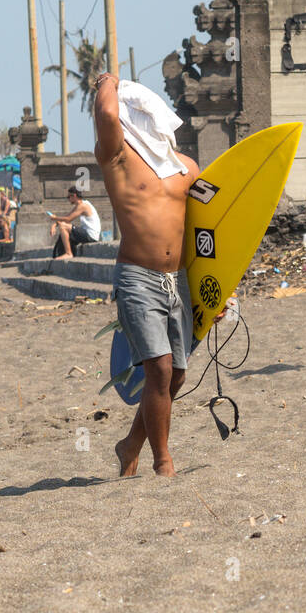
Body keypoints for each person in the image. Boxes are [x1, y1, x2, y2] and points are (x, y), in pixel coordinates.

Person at [93, 71, 224, 479]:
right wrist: (106, 82)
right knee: (160, 370)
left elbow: (207, 232)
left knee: (177, 373)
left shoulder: (187, 168)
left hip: (180, 280)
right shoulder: (117, 159)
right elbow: (108, 115)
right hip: (138, 277)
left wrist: (215, 292)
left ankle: (131, 443)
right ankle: (162, 462)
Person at [49, 187, 101, 259]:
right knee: (63, 234)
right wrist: (54, 225)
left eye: (69, 197)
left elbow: (68, 219)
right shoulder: (80, 205)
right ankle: (60, 255)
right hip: (87, 233)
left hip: (91, 236)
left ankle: (68, 253)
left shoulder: (83, 206)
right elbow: (67, 217)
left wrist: (55, 218)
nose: (68, 199)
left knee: (63, 227)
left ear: (74, 196)